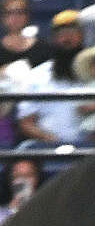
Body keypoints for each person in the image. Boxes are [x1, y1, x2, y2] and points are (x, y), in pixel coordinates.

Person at [15, 10, 87, 148]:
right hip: (46, 146)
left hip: (90, 149)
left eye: (72, 33)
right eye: (61, 34)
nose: (67, 39)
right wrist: (52, 140)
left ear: (82, 36)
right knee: (23, 169)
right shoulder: (37, 75)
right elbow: (26, 122)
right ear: (53, 39)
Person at [0, 0, 52, 70]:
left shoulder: (44, 48)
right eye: (10, 13)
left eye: (20, 12)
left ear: (27, 16)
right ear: (3, 17)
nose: (15, 17)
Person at [0, 158, 41, 225]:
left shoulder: (46, 209)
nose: (23, 180)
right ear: (10, 180)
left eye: (28, 175)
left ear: (37, 178)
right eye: (18, 176)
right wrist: (12, 210)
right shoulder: (1, 214)